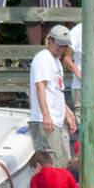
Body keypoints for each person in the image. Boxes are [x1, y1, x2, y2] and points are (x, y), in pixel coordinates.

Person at [29, 25, 77, 161]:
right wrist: (46, 116)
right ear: (50, 40)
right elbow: (40, 87)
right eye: (59, 45)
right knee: (52, 165)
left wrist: (67, 112)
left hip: (56, 121)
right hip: (45, 122)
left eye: (65, 46)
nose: (62, 49)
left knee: (62, 163)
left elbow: (57, 90)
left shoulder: (56, 62)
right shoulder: (43, 58)